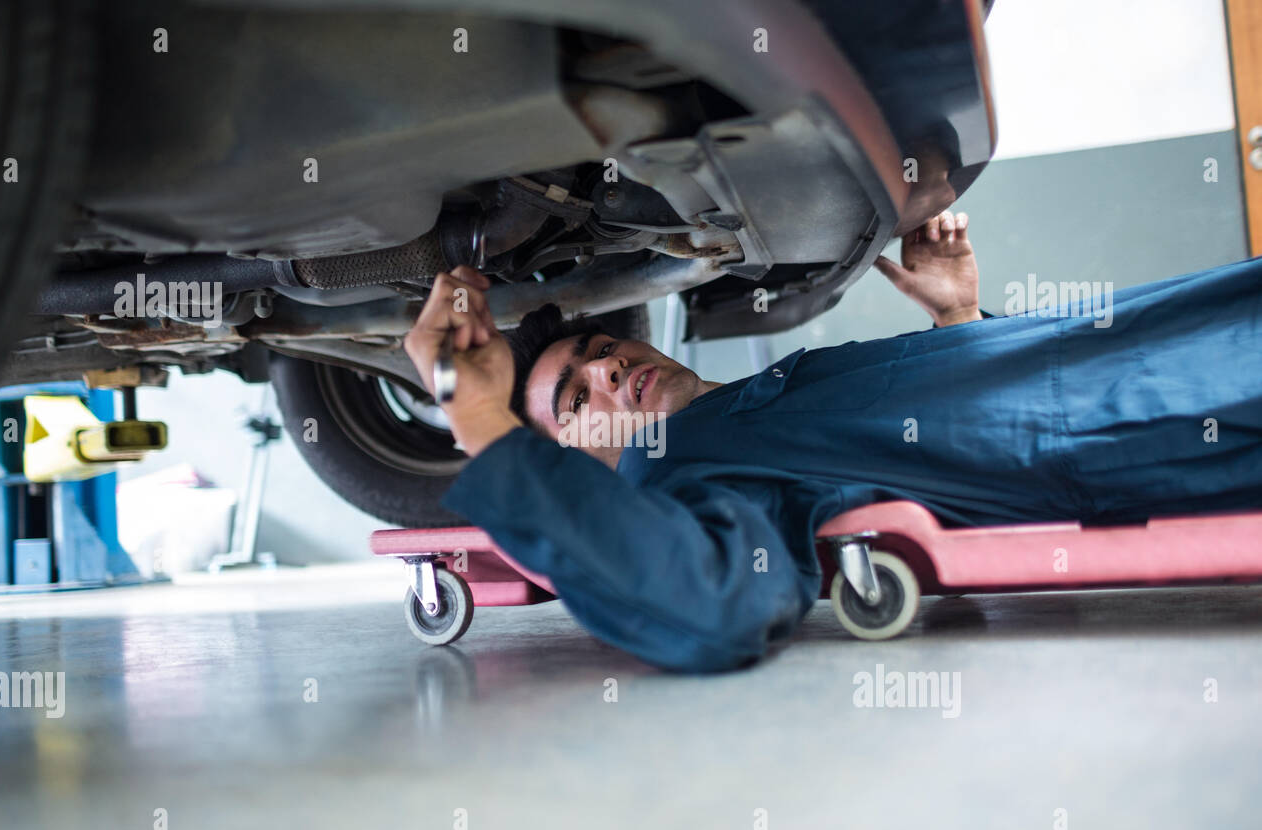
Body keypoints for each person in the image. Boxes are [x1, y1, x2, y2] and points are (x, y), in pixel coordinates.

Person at [402, 211, 1262, 672]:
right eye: (576, 399)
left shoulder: (755, 402)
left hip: (1148, 333)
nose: (609, 371)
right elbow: (705, 608)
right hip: (1155, 403)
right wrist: (479, 421)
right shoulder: (683, 469)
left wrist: (956, 320)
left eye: (599, 350)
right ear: (576, 462)